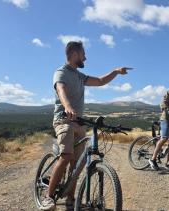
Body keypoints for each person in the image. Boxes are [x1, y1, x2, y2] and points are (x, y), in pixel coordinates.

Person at [40, 41, 131, 210]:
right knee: (66, 156)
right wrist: (67, 107)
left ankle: (70, 199)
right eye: (83, 54)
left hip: (79, 123)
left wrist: (116, 72)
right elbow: (61, 89)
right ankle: (48, 197)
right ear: (74, 54)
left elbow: (100, 81)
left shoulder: (79, 76)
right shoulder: (62, 72)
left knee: (76, 164)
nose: (85, 57)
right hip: (64, 120)